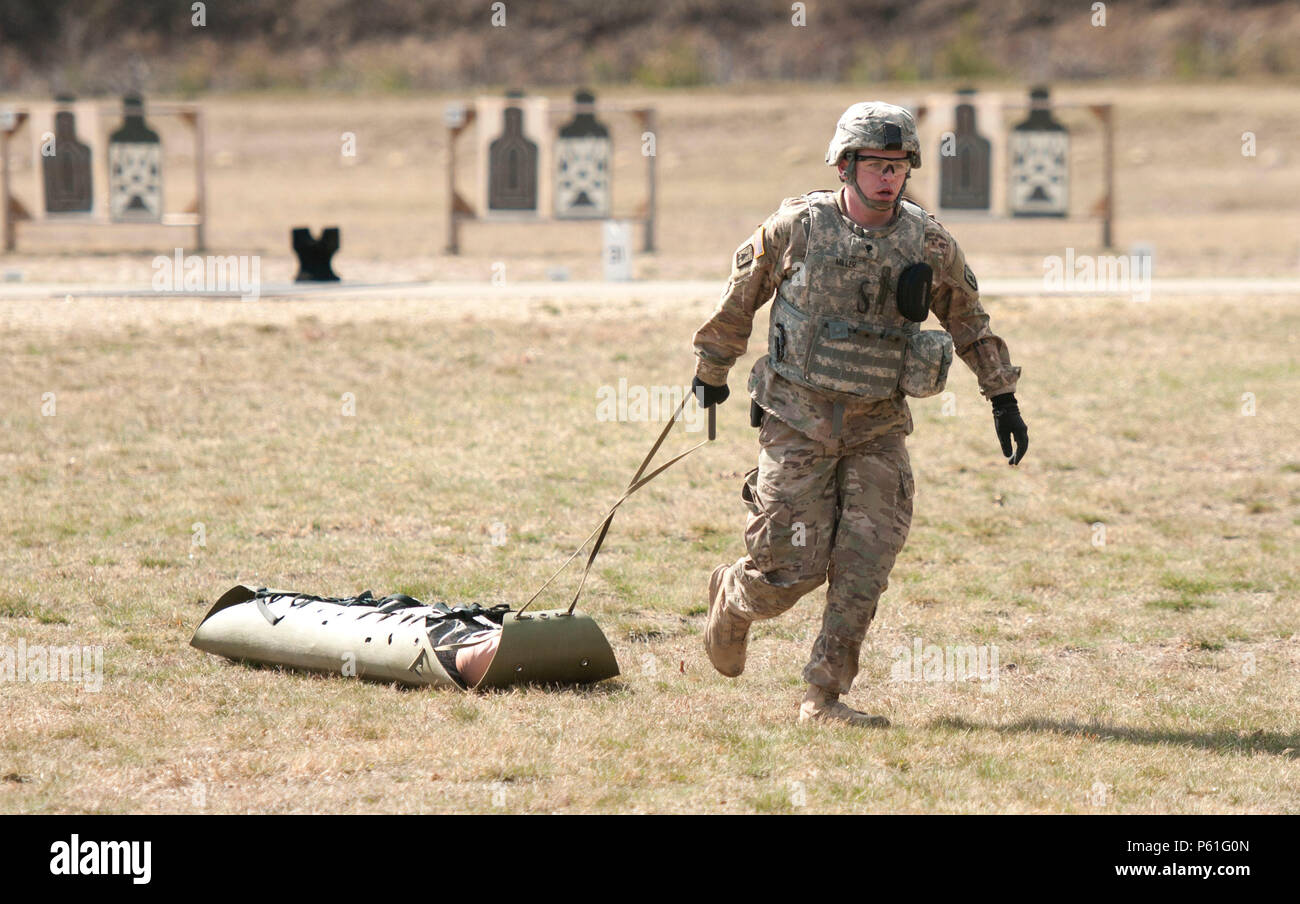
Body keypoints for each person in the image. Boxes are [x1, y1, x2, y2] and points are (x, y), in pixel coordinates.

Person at [691, 101, 1028, 726]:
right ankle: (735, 599)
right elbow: (740, 298)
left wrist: (1001, 395)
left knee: (864, 566)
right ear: (845, 166)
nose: (887, 177)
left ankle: (824, 696)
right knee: (789, 572)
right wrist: (712, 371)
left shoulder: (926, 241)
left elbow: (968, 320)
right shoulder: (798, 226)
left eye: (898, 165)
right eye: (875, 164)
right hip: (797, 419)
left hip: (877, 425)